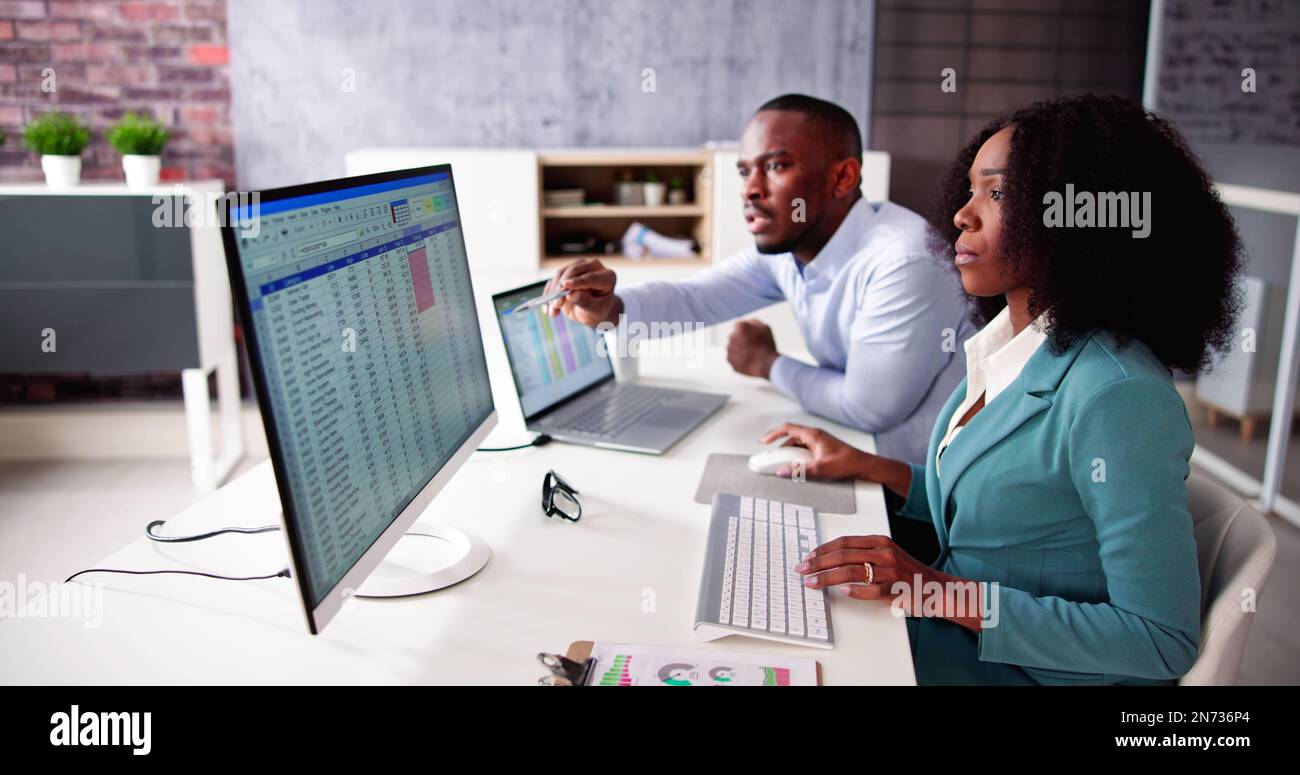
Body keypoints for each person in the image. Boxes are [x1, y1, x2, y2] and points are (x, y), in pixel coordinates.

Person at [763, 94, 1243, 684]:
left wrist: (931, 589)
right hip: (949, 636)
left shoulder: (1117, 395)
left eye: (998, 193)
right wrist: (870, 465)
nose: (963, 214)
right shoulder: (1013, 346)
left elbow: (1159, 640)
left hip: (1016, 670)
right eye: (970, 190)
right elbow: (1004, 513)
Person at [544, 94, 973, 470]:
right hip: (853, 452)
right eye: (745, 170)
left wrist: (767, 363)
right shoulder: (792, 247)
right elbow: (695, 298)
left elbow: (868, 408)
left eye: (776, 166)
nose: (750, 189)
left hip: (918, 497)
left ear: (842, 177)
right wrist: (609, 307)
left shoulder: (903, 260)